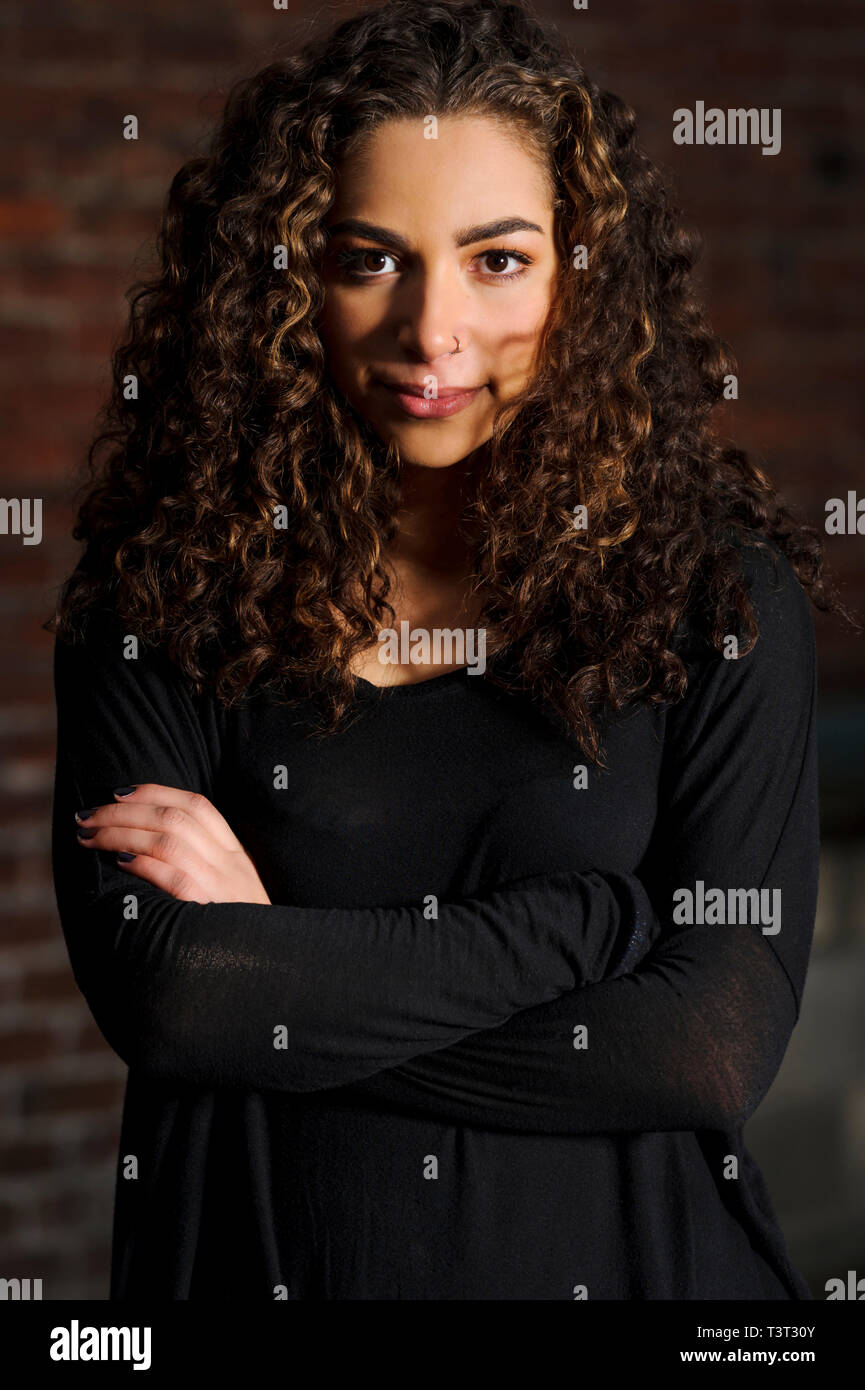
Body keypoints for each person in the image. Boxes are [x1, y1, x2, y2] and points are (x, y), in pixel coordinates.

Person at [48, 0, 857, 1300]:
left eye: (496, 260)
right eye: (369, 258)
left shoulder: (710, 599)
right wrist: (581, 925)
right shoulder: (163, 599)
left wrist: (278, 960)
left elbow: (705, 1044)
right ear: (288, 275)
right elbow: (171, 1003)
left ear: (579, 276)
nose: (432, 333)